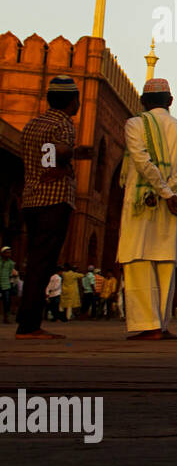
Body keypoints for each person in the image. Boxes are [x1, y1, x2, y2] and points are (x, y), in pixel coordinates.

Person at [117, 78, 177, 341]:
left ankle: (149, 324)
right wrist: (171, 192)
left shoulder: (135, 124)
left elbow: (140, 159)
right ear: (171, 101)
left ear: (143, 102)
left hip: (142, 202)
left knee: (137, 259)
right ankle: (161, 324)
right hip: (173, 204)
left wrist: (162, 192)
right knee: (165, 262)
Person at [15, 76, 94, 339]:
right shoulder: (63, 123)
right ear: (71, 100)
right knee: (42, 264)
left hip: (30, 200)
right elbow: (55, 149)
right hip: (53, 200)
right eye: (78, 100)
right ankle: (29, 326)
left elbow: (32, 153)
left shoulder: (33, 123)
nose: (79, 104)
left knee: (34, 262)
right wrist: (56, 163)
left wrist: (65, 157)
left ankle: (27, 321)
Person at [0, 246, 15, 324]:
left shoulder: (11, 263)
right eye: (7, 252)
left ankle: (6, 317)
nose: (8, 254)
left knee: (7, 301)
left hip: (6, 284)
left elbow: (11, 274)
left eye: (9, 252)